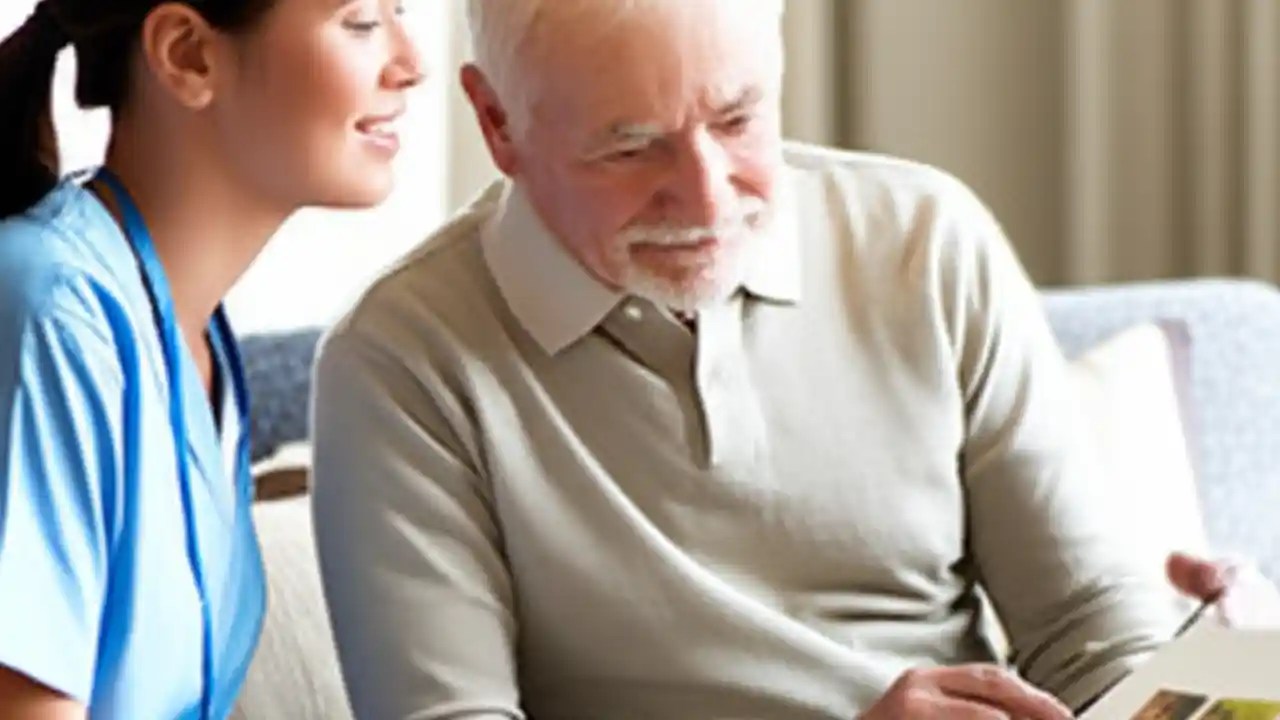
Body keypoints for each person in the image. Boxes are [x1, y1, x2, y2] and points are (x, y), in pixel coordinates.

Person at [309, 1, 1273, 718]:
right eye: (630, 148)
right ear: (498, 125)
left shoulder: (927, 243)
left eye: (736, 120)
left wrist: (1200, 685)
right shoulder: (403, 360)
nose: (705, 196)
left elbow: (1089, 626)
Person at [0, 0, 422, 716]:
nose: (411, 64)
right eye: (360, 20)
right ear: (188, 54)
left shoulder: (194, 348)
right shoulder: (52, 310)